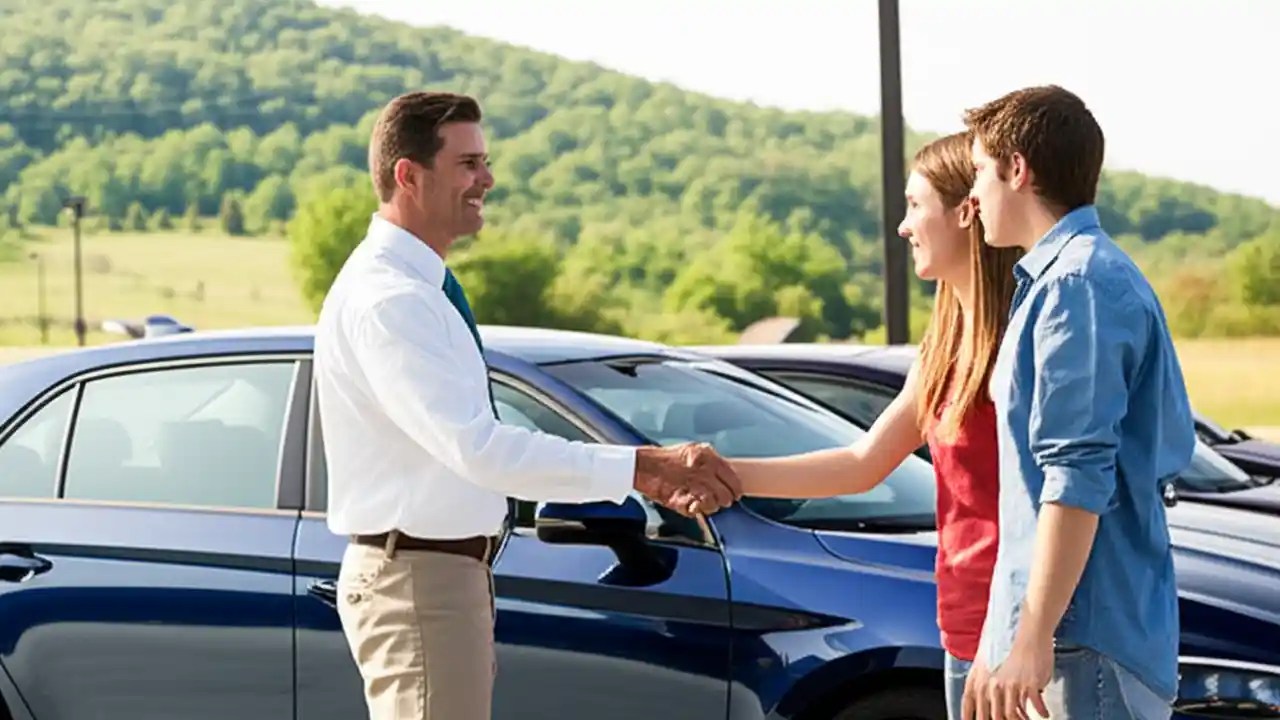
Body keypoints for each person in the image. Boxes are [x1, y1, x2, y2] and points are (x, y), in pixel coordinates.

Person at [312, 90, 742, 720]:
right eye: (468, 164)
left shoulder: (415, 289)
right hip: (420, 583)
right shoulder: (391, 300)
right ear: (409, 175)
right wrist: (640, 467)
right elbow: (478, 448)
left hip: (437, 579)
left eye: (484, 162)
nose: (487, 179)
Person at [722, 131, 1023, 720]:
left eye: (916, 206)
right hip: (961, 625)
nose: (903, 227)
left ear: (967, 212)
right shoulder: (944, 344)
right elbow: (862, 463)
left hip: (1022, 632)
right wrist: (721, 473)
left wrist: (1017, 636)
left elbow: (1062, 498)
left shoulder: (1022, 340)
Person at [959, 85, 1195, 720]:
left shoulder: (1077, 285)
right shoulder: (1059, 281)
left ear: (1017, 168)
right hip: (1060, 642)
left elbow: (1075, 479)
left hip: (1084, 642)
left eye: (980, 170)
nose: (972, 195)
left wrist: (1031, 638)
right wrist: (999, 639)